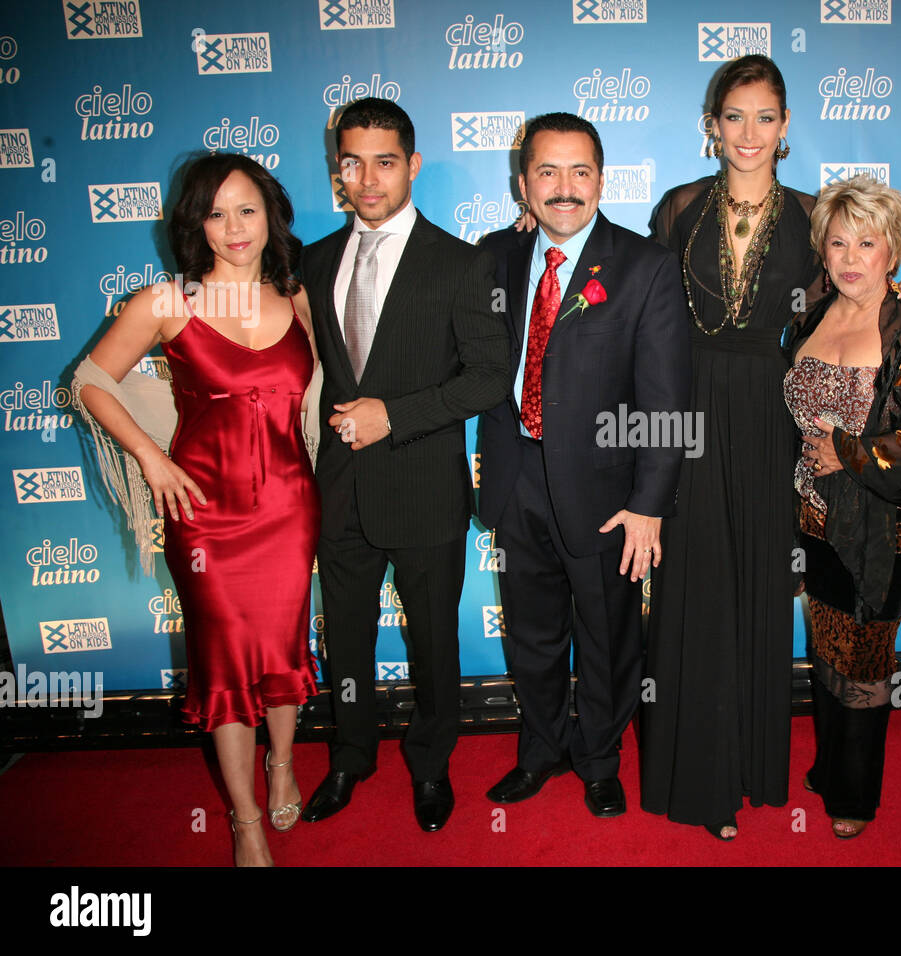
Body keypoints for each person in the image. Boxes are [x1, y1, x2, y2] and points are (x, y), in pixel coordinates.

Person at [73, 153, 319, 867]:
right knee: (224, 659)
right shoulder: (165, 302)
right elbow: (91, 382)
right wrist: (152, 458)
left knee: (280, 647)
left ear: (271, 214)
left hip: (289, 506)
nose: (234, 227)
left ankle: (281, 761)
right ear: (195, 224)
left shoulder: (297, 299)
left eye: (247, 209)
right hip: (205, 513)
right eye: (216, 212)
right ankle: (244, 820)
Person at [298, 98, 509, 833]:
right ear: (338, 171)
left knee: (433, 642)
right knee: (346, 636)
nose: (368, 178)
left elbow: (489, 377)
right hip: (340, 492)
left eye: (385, 161)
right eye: (352, 162)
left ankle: (429, 764)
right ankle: (350, 755)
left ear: (412, 165)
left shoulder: (462, 262)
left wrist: (395, 414)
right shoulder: (315, 261)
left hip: (423, 488)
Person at [478, 113, 690, 818]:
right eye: (547, 171)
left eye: (579, 172)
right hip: (516, 479)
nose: (563, 189)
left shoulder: (645, 266)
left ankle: (600, 757)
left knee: (606, 635)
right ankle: (540, 750)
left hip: (607, 494)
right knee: (532, 636)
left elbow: (666, 398)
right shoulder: (496, 258)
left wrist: (650, 503)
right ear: (523, 184)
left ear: (602, 179)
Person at [638, 55, 824, 840]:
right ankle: (699, 777)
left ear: (785, 130)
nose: (749, 133)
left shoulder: (818, 215)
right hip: (686, 407)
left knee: (757, 583)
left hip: (770, 413)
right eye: (735, 116)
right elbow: (643, 307)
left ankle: (751, 765)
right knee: (696, 588)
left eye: (765, 118)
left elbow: (848, 297)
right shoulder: (678, 208)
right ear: (712, 125)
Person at [791, 175, 901, 839]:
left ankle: (854, 796)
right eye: (838, 242)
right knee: (828, 643)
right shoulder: (813, 308)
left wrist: (854, 453)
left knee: (865, 655)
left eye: (867, 242)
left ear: (893, 250)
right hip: (814, 515)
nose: (850, 256)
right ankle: (829, 763)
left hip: (885, 522)